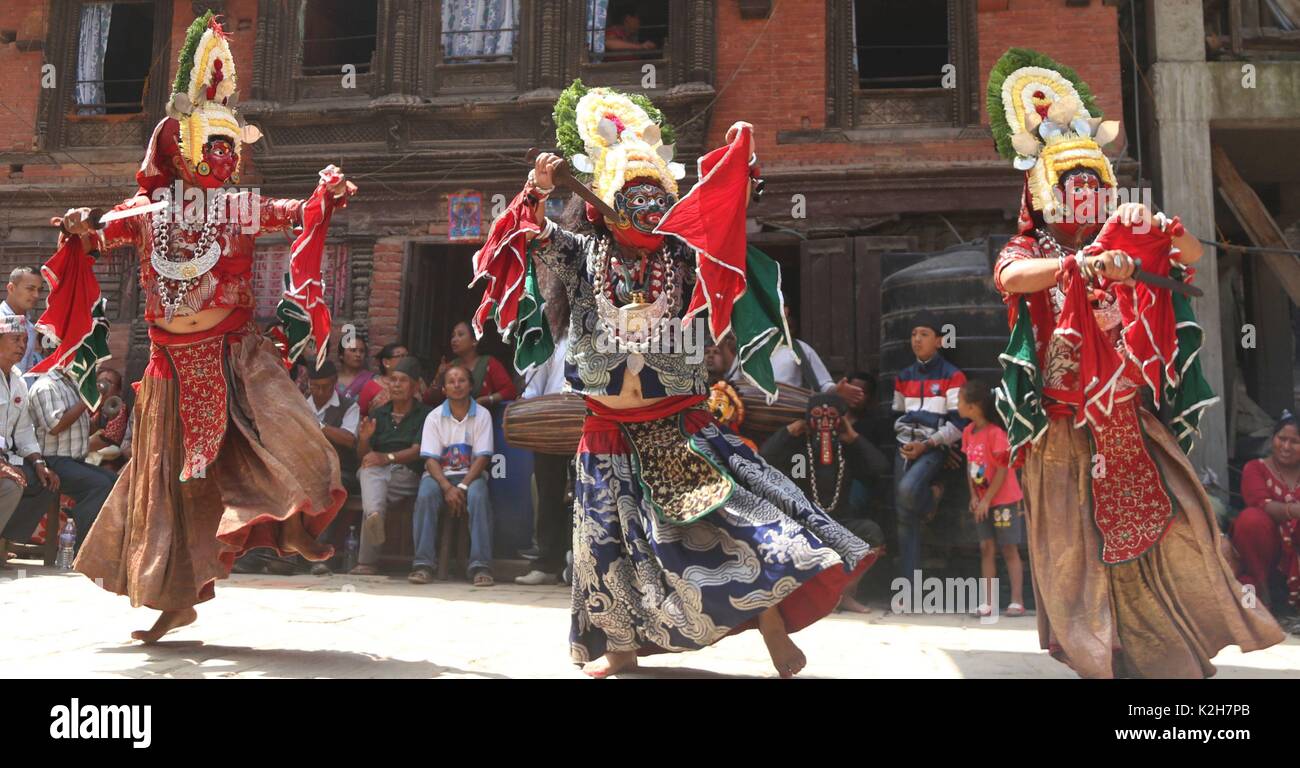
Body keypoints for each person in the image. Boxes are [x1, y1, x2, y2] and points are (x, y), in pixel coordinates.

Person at [473, 82, 874, 678]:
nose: (645, 208)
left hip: (678, 427)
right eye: (632, 197)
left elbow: (723, 226)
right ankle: (621, 651)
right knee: (607, 548)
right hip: (606, 430)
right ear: (604, 204)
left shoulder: (684, 259)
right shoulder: (584, 255)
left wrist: (740, 173)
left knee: (736, 531)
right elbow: (529, 232)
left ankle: (774, 636)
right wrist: (539, 184)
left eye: (655, 197)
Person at [55, 12, 351, 643]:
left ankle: (293, 523)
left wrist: (324, 197)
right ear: (180, 146)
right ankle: (175, 600)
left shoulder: (242, 206)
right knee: (170, 490)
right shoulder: (146, 210)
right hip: (168, 371)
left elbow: (292, 214)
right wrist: (80, 223)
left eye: (230, 147)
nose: (224, 156)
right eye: (212, 144)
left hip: (235, 358)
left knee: (293, 443)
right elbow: (97, 234)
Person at [989, 49, 1282, 676]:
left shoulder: (1118, 242)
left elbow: (1191, 254)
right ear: (1047, 196)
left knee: (1181, 531)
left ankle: (1172, 652)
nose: (1088, 202)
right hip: (1064, 429)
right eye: (1076, 192)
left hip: (1130, 421)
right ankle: (1103, 659)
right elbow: (1013, 279)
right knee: (1075, 553)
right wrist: (1077, 266)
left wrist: (1153, 239)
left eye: (1098, 191)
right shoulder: (1030, 248)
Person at [761, 393, 888, 614]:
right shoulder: (798, 448)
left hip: (840, 522)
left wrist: (854, 437)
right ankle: (797, 599)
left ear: (843, 419)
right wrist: (789, 432)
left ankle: (844, 595)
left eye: (832, 416)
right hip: (804, 523)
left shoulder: (847, 448)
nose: (825, 422)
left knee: (872, 533)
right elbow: (762, 458)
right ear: (808, 418)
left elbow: (880, 468)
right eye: (819, 415)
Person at [891, 310, 966, 586]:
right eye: (913, 334)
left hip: (935, 447)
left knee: (907, 491)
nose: (917, 340)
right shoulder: (903, 376)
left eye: (924, 334)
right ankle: (909, 587)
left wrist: (928, 444)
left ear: (939, 341)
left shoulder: (953, 376)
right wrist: (907, 442)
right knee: (903, 514)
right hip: (905, 446)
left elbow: (960, 422)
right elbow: (897, 415)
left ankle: (934, 493)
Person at [411, 363, 494, 586]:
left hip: (471, 476)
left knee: (478, 496)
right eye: (451, 381)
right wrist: (447, 487)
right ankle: (423, 564)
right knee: (426, 495)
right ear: (444, 389)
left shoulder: (483, 415)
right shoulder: (434, 417)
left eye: (462, 380)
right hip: (439, 478)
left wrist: (463, 486)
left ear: (471, 386)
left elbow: (482, 458)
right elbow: (430, 459)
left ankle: (480, 566)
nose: (457, 385)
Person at [515, 266, 572, 586]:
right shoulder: (554, 335)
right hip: (550, 424)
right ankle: (546, 562)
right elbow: (534, 385)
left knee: (586, 493)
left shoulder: (604, 336)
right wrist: (530, 406)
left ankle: (581, 560)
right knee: (549, 493)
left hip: (588, 423)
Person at [351, 356, 430, 575]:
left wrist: (387, 458)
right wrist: (365, 439)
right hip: (377, 473)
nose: (396, 385)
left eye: (402, 380)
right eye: (393, 380)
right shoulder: (379, 413)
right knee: (369, 472)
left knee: (373, 483)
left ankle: (367, 562)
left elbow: (418, 450)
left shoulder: (425, 414)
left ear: (414, 386)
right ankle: (374, 513)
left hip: (406, 475)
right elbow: (364, 456)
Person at [26, 366, 117, 552]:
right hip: (50, 461)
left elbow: (83, 429)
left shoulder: (72, 385)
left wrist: (103, 414)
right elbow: (56, 426)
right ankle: (79, 548)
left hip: (72, 460)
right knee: (99, 484)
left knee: (114, 481)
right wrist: (86, 399)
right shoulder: (45, 386)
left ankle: (92, 543)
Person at [957, 379, 1025, 617]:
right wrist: (975, 496)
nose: (957, 404)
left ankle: (1016, 600)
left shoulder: (996, 434)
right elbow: (970, 466)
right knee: (986, 547)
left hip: (1003, 501)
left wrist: (987, 500)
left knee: (1008, 547)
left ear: (973, 406)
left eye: (960, 400)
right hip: (983, 502)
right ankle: (987, 601)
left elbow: (1004, 469)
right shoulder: (967, 432)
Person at [0, 316, 59, 567]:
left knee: (47, 483)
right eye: (15, 339)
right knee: (12, 486)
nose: (22, 345)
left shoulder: (19, 381)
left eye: (25, 340)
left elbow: (24, 431)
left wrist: (38, 462)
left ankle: (5, 543)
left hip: (9, 457)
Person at [1231, 411, 1300, 620]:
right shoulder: (1255, 469)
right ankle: (1262, 592)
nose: (1286, 447)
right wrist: (1293, 510)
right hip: (1267, 552)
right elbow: (1261, 503)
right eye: (1282, 439)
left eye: (1295, 442)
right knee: (1251, 519)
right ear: (1273, 439)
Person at [306, 360, 362, 575]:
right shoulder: (300, 403)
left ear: (335, 383)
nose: (320, 392)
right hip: (303, 468)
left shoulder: (349, 406)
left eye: (326, 387)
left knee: (328, 487)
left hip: (340, 471)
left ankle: (319, 555)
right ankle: (279, 555)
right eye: (315, 386)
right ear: (309, 384)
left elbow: (348, 439)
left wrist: (318, 426)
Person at [425, 321, 517, 408]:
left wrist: (487, 399)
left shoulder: (489, 363)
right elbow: (429, 400)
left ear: (474, 341)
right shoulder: (450, 367)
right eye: (453, 336)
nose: (454, 340)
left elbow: (510, 391)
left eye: (460, 335)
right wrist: (439, 376)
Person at [1, 266, 46, 374]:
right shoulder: (1, 319)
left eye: (39, 290)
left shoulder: (30, 328)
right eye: (30, 289)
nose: (36, 295)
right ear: (11, 288)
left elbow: (27, 372)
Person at [337, 335, 384, 417]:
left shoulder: (374, 380)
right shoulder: (330, 380)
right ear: (341, 355)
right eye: (353, 350)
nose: (358, 354)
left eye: (362, 351)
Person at [368, 342, 410, 413]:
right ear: (386, 362)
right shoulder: (371, 386)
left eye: (407, 356)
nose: (406, 360)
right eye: (401, 356)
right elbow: (361, 414)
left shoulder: (416, 382)